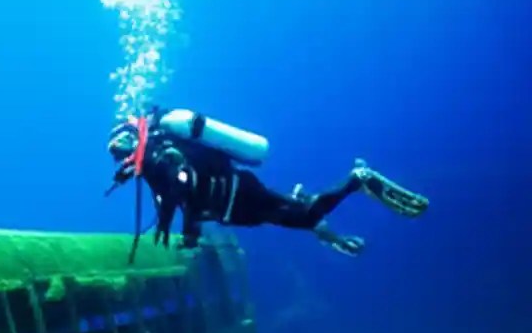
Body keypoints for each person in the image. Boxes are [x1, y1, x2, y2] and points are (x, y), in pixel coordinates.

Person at [105, 108, 429, 257]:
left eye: (121, 148)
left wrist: (187, 230)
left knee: (301, 216)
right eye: (115, 153)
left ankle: (355, 181)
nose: (120, 158)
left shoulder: (163, 153)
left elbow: (185, 184)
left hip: (238, 195)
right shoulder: (152, 165)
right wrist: (174, 224)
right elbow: (179, 195)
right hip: (235, 203)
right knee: (290, 214)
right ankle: (308, 208)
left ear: (135, 137)